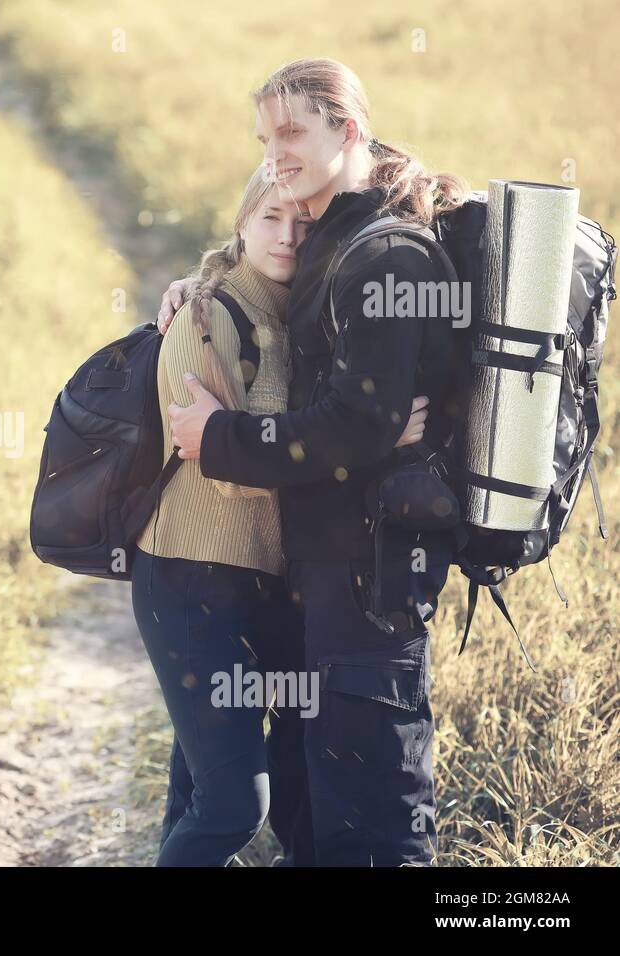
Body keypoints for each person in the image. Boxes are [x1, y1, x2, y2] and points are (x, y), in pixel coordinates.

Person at [157, 57, 467, 866]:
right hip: (317, 578)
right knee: (309, 812)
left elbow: (356, 425)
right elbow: (267, 290)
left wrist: (219, 441)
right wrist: (199, 284)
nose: (275, 152)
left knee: (372, 822)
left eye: (292, 131)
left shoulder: (384, 256)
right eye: (266, 137)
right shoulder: (328, 237)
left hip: (371, 577)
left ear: (349, 129)